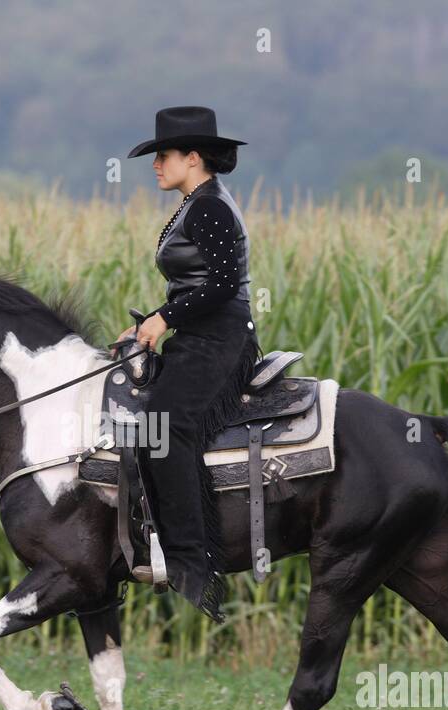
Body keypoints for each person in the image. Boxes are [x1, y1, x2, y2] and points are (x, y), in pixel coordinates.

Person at [115, 106, 261, 624]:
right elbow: (193, 285)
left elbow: (221, 286)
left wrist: (163, 317)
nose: (156, 164)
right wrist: (147, 326)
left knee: (164, 427)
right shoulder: (194, 204)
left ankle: (191, 562)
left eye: (164, 155)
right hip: (198, 337)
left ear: (193, 158)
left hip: (221, 341)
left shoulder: (210, 208)